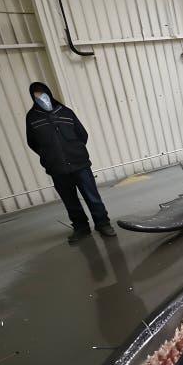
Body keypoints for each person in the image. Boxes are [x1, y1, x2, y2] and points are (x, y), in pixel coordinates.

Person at [25, 81, 116, 244]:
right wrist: (48, 156)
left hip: (79, 164)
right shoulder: (32, 118)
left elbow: (82, 134)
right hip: (57, 168)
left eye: (42, 94)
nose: (40, 98)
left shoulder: (65, 112)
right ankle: (81, 227)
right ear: (32, 97)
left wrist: (76, 149)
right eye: (36, 96)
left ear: (49, 94)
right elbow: (32, 143)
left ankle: (103, 223)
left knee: (92, 196)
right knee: (70, 200)